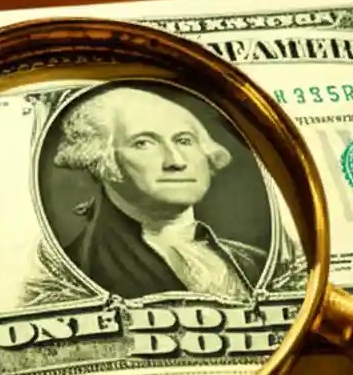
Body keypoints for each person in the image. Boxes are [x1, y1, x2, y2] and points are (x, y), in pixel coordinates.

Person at [51, 83, 267, 301]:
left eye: (184, 140)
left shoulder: (253, 261)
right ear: (99, 159)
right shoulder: (72, 273)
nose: (177, 161)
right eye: (143, 143)